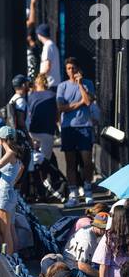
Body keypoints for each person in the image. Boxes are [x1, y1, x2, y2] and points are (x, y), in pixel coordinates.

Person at [56, 57, 96, 205]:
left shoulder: (88, 84)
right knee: (70, 162)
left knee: (87, 162)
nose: (71, 71)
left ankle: (87, 191)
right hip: (68, 128)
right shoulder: (62, 86)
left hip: (85, 126)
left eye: (73, 68)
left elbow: (88, 101)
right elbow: (61, 108)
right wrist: (79, 103)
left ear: (78, 69)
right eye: (68, 69)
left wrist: (80, 85)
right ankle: (73, 194)